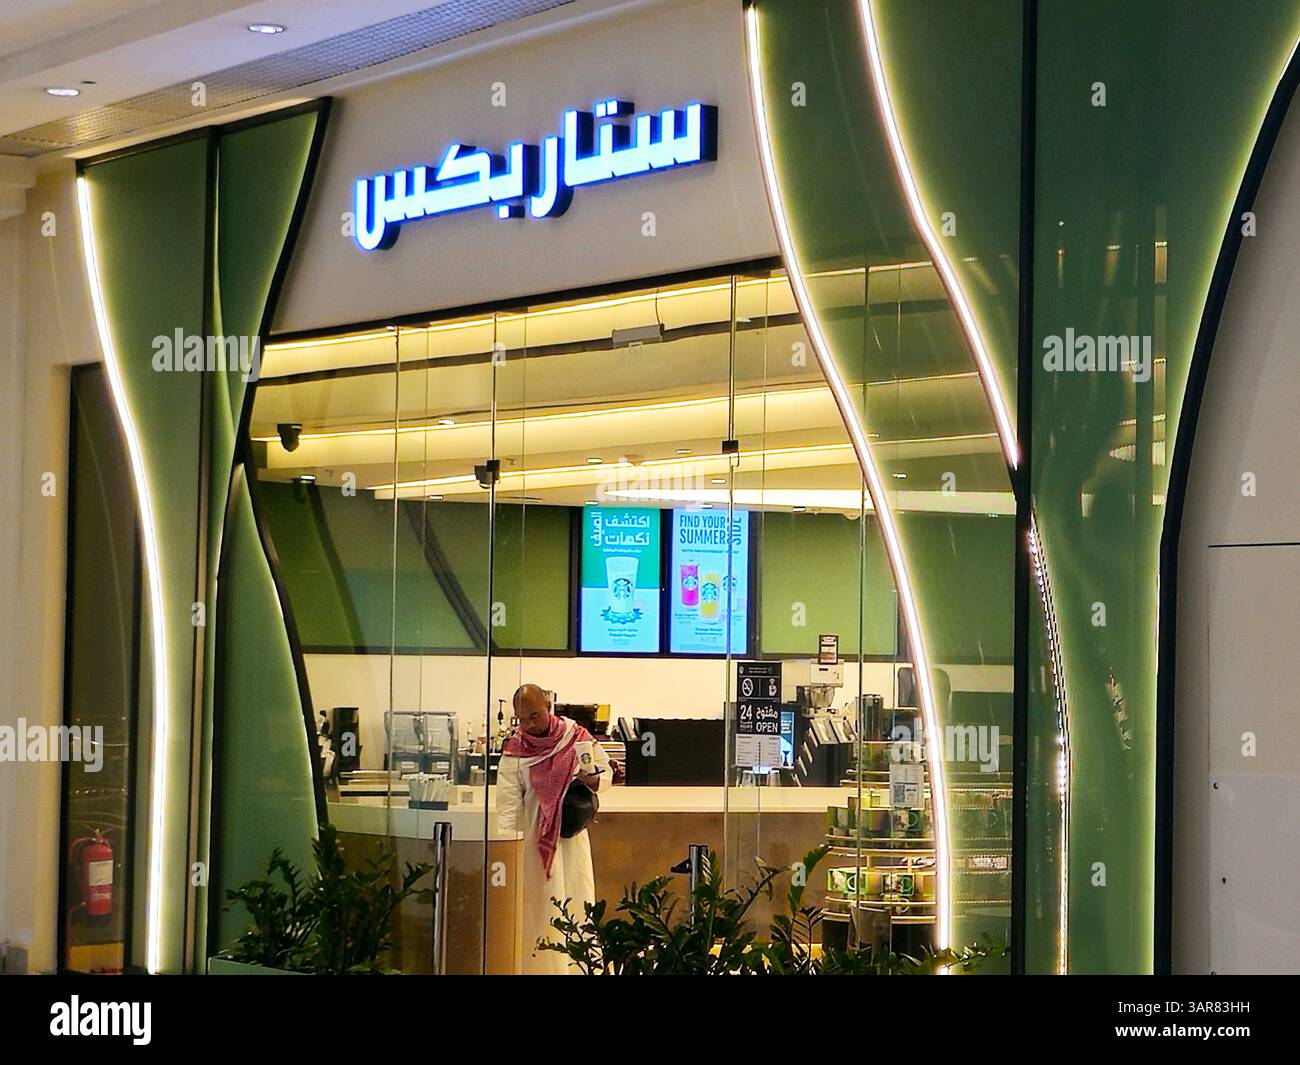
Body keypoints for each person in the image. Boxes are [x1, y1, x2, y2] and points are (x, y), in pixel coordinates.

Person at [496, 683, 612, 974]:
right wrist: (508, 850)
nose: (529, 724)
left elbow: (605, 772)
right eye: (522, 719)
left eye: (534, 715)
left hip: (571, 841)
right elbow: (508, 807)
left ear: (548, 708)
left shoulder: (575, 737)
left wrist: (592, 779)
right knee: (538, 911)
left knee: (576, 901)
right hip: (533, 846)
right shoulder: (514, 750)